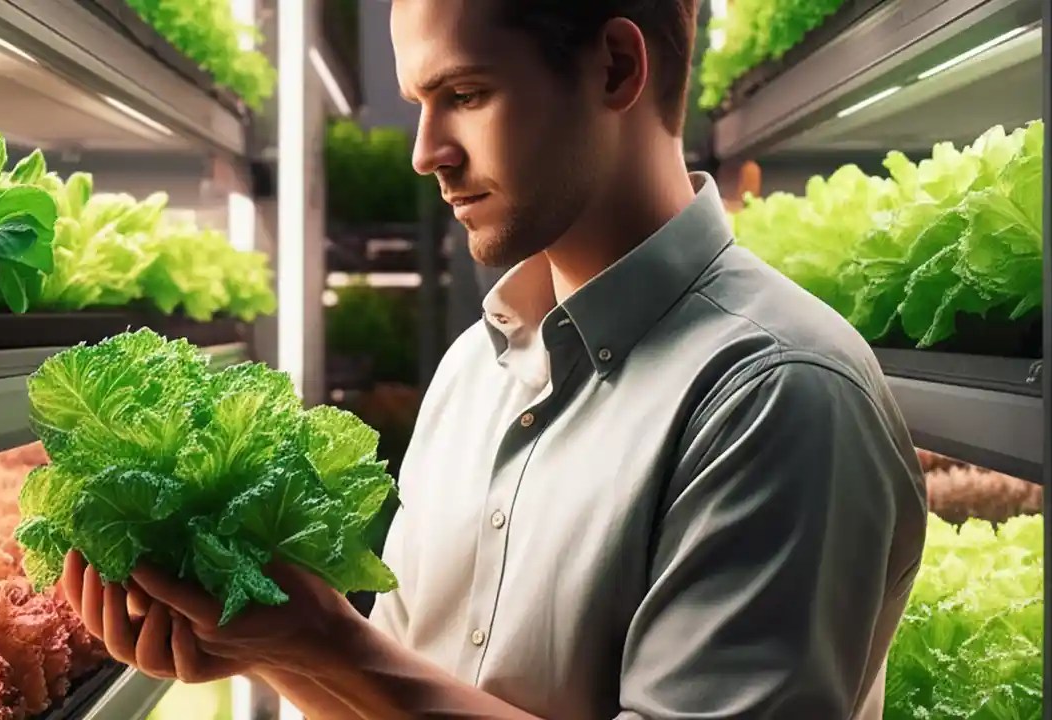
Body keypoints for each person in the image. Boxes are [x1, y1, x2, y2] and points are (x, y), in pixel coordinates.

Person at [61, 1, 929, 717]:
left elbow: (378, 670)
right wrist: (276, 654)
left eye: (465, 93)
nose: (423, 150)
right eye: (417, 102)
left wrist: (328, 646)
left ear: (617, 69)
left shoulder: (780, 394)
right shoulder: (473, 369)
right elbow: (403, 685)